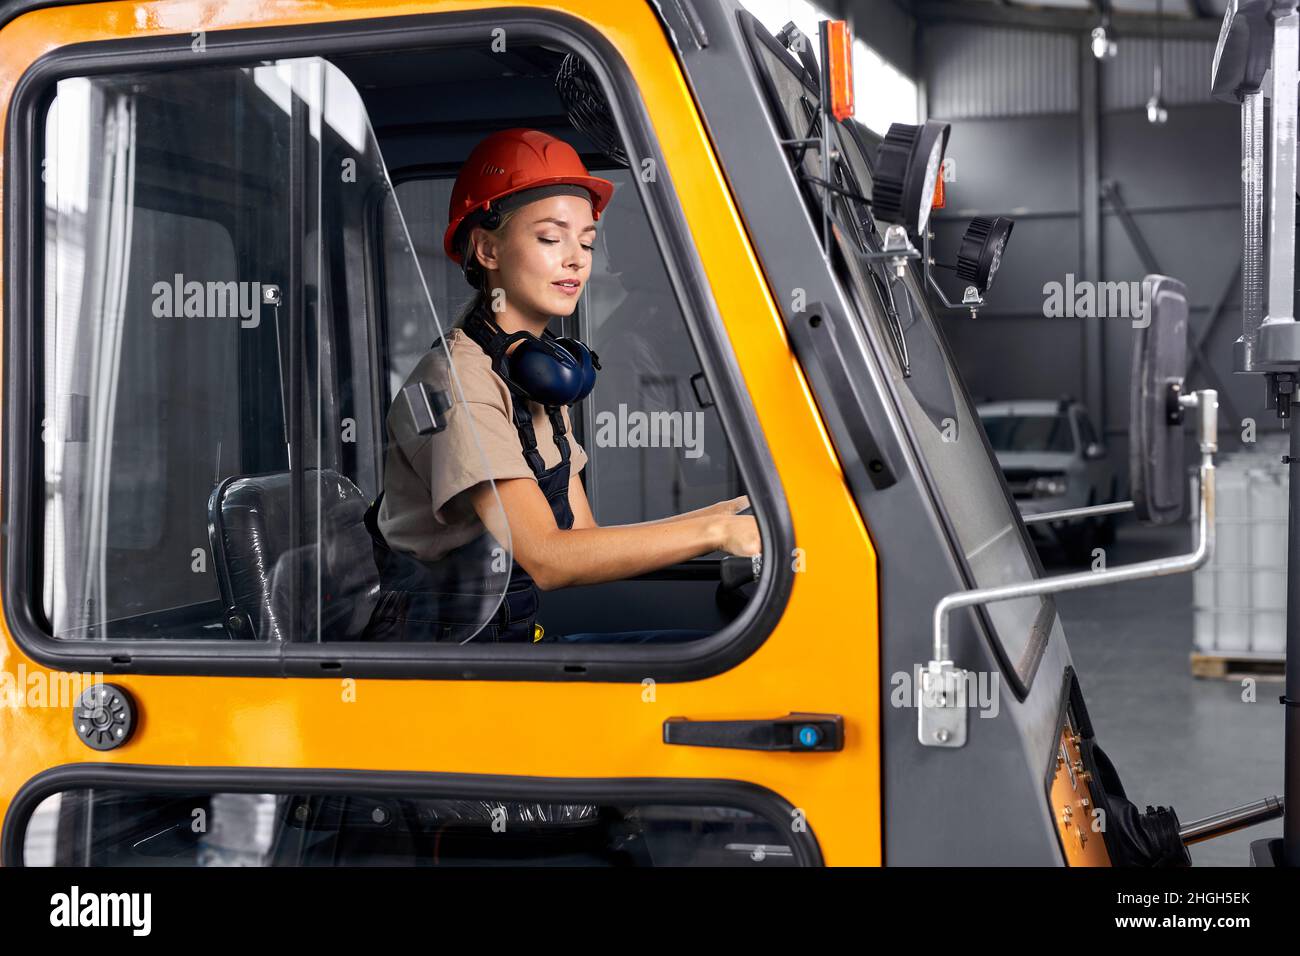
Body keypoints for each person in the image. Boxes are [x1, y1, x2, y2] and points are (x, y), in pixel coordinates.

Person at [365, 128, 758, 644]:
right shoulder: (459, 381)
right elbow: (548, 558)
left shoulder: (538, 372)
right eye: (551, 238)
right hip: (443, 667)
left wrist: (733, 513)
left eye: (587, 241)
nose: (577, 258)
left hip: (507, 640)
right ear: (486, 248)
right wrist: (716, 534)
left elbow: (581, 538)